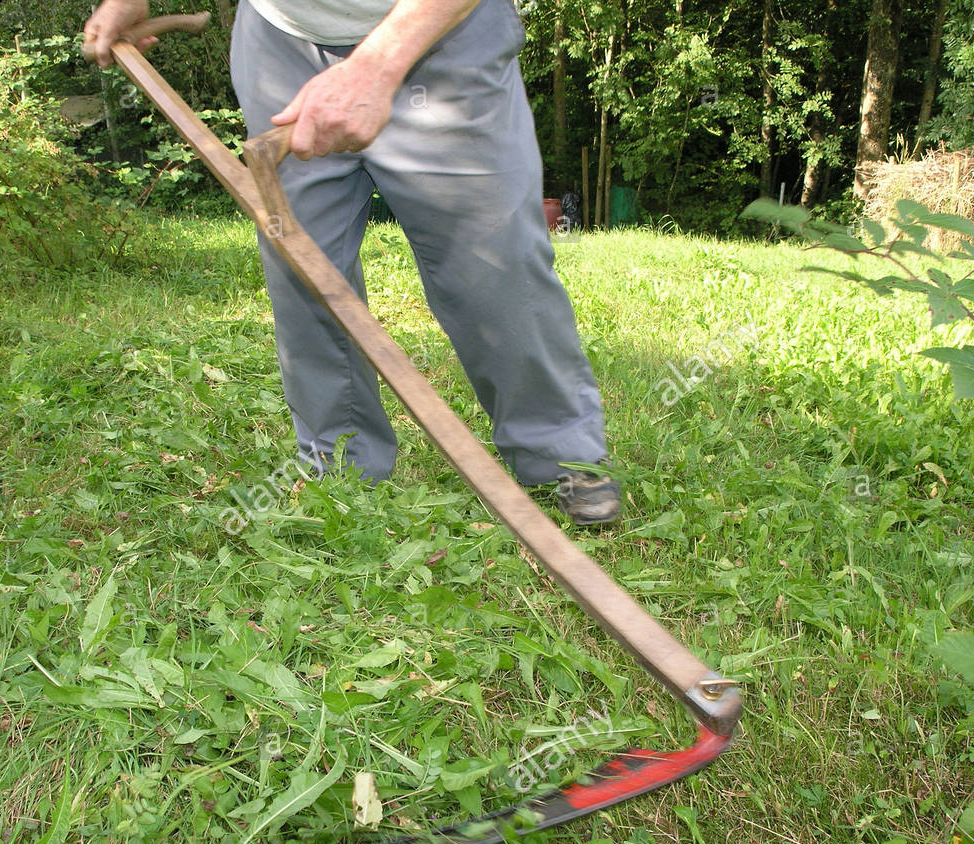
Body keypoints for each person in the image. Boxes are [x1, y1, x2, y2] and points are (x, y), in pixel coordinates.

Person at [83, 0, 621, 525]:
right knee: (304, 272)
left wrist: (377, 65)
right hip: (282, 42)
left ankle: (559, 456)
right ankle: (341, 465)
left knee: (495, 267)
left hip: (442, 38)